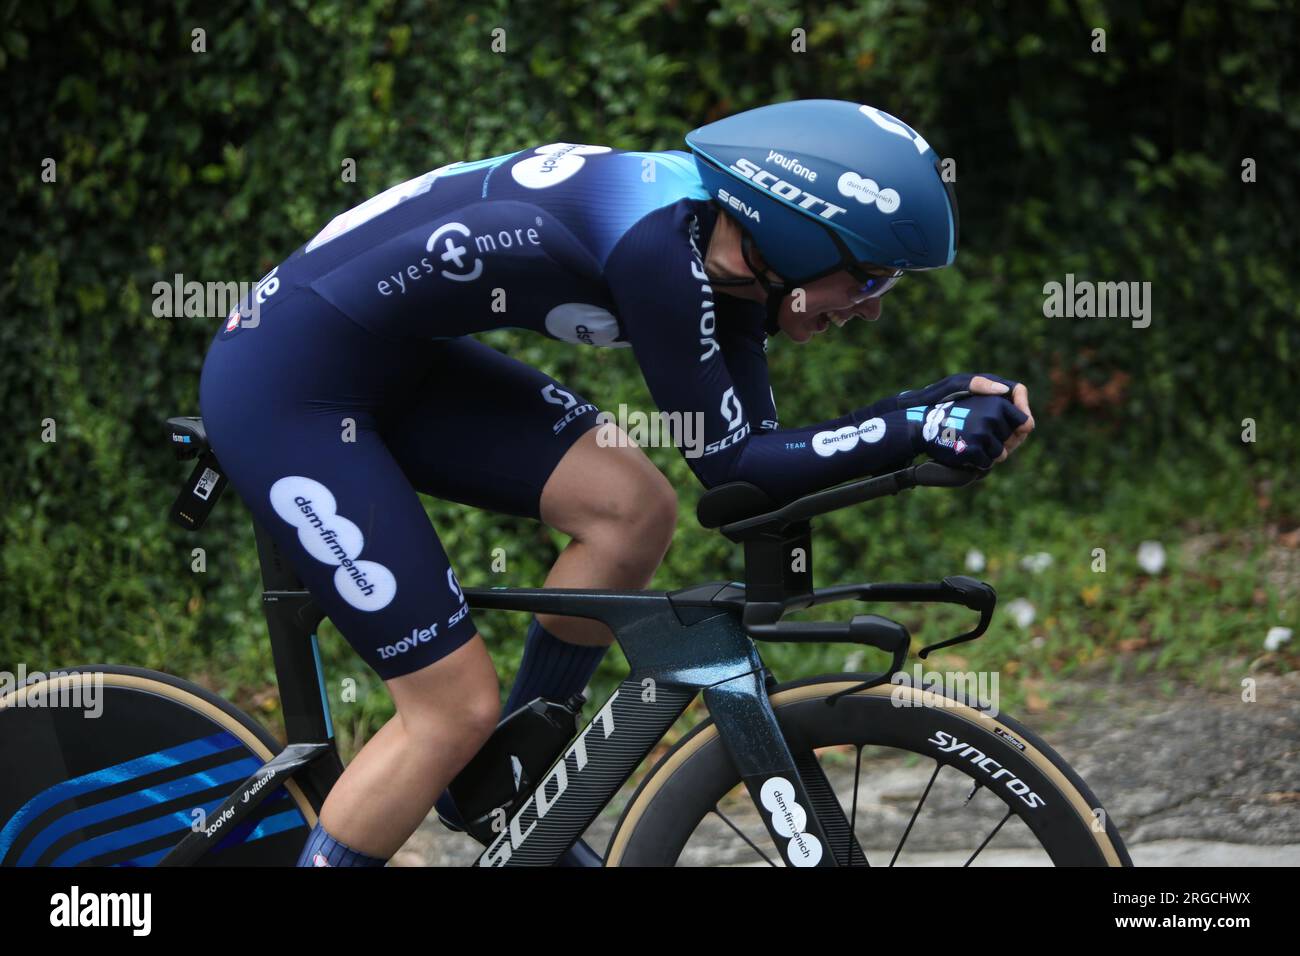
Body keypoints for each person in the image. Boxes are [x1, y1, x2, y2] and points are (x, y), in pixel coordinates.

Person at [198, 99, 1033, 867]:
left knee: (632, 510)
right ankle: (470, 756)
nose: (873, 305)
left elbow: (753, 462)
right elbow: (736, 470)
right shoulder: (658, 251)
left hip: (395, 363)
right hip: (285, 387)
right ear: (801, 237)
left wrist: (928, 406)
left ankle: (505, 784)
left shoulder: (731, 258)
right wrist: (916, 423)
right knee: (448, 709)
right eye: (872, 277)